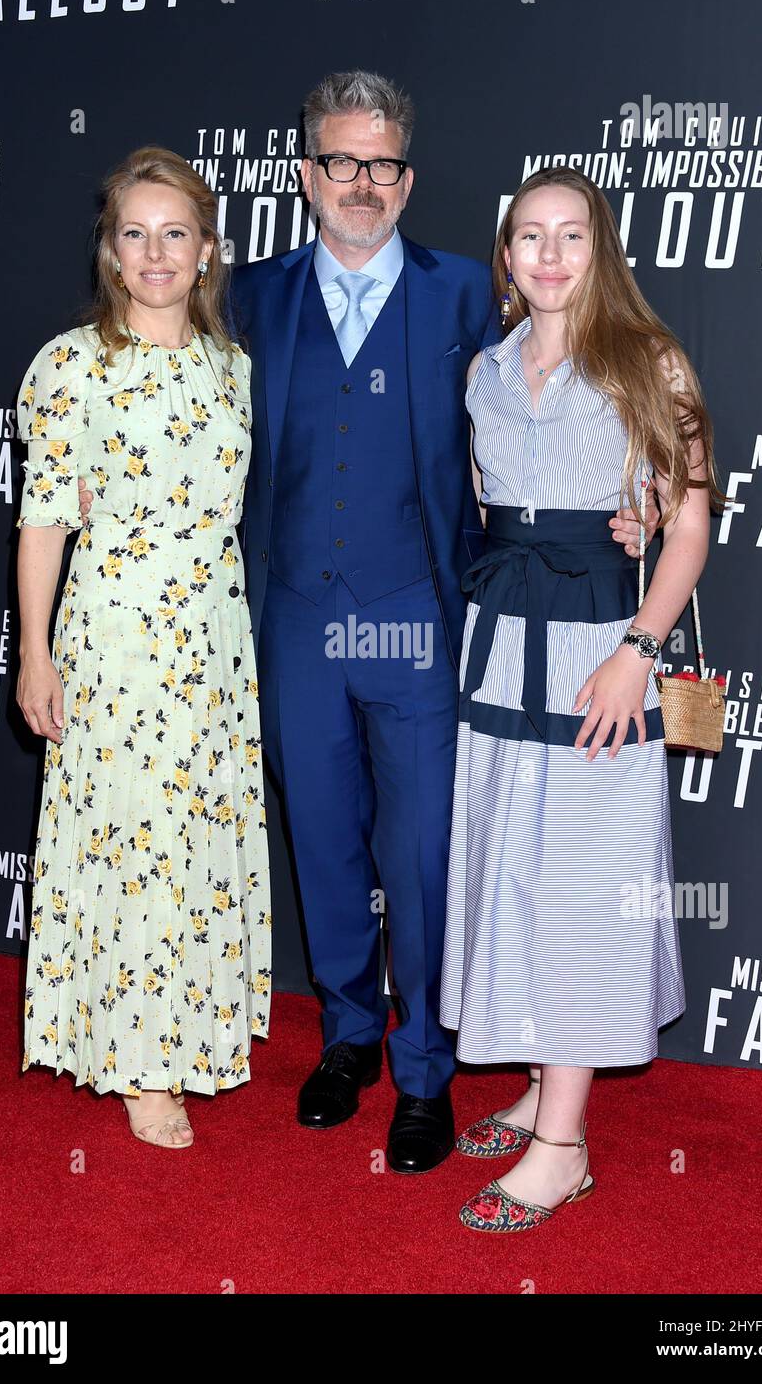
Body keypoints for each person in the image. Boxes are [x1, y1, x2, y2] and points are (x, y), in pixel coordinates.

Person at [222, 74, 658, 1174]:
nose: (360, 184)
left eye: (381, 165)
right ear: (306, 172)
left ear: (407, 179)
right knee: (320, 843)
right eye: (339, 162)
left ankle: (423, 1072)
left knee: (419, 858)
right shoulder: (252, 296)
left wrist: (640, 497)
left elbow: (580, 386)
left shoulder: (469, 292)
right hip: (296, 619)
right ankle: (349, 1038)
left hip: (423, 621)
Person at [441, 166, 726, 1230]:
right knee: (507, 864)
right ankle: (538, 1081)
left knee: (577, 880)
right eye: (529, 237)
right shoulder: (486, 367)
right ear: (506, 254)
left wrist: (636, 648)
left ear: (600, 249)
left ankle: (563, 1144)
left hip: (601, 655)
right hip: (498, 641)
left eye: (571, 236)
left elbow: (688, 524)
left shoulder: (648, 361)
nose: (550, 256)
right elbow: (491, 507)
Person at [16, 146, 272, 1148]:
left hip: (211, 639)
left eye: (176, 234)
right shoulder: (71, 365)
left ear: (207, 250)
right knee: (133, 843)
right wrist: (35, 654)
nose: (156, 253)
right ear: (111, 253)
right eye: (136, 234)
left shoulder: (231, 368)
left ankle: (189, 1030)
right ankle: (137, 1063)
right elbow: (42, 522)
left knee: (193, 844)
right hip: (114, 638)